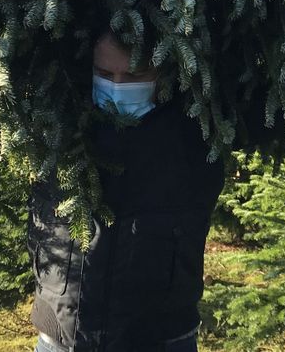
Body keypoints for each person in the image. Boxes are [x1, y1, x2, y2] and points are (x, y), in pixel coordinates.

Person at [28, 30, 225, 351]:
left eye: (134, 75)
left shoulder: (193, 134)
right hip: (62, 335)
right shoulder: (60, 123)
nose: (117, 88)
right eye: (105, 75)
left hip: (161, 339)